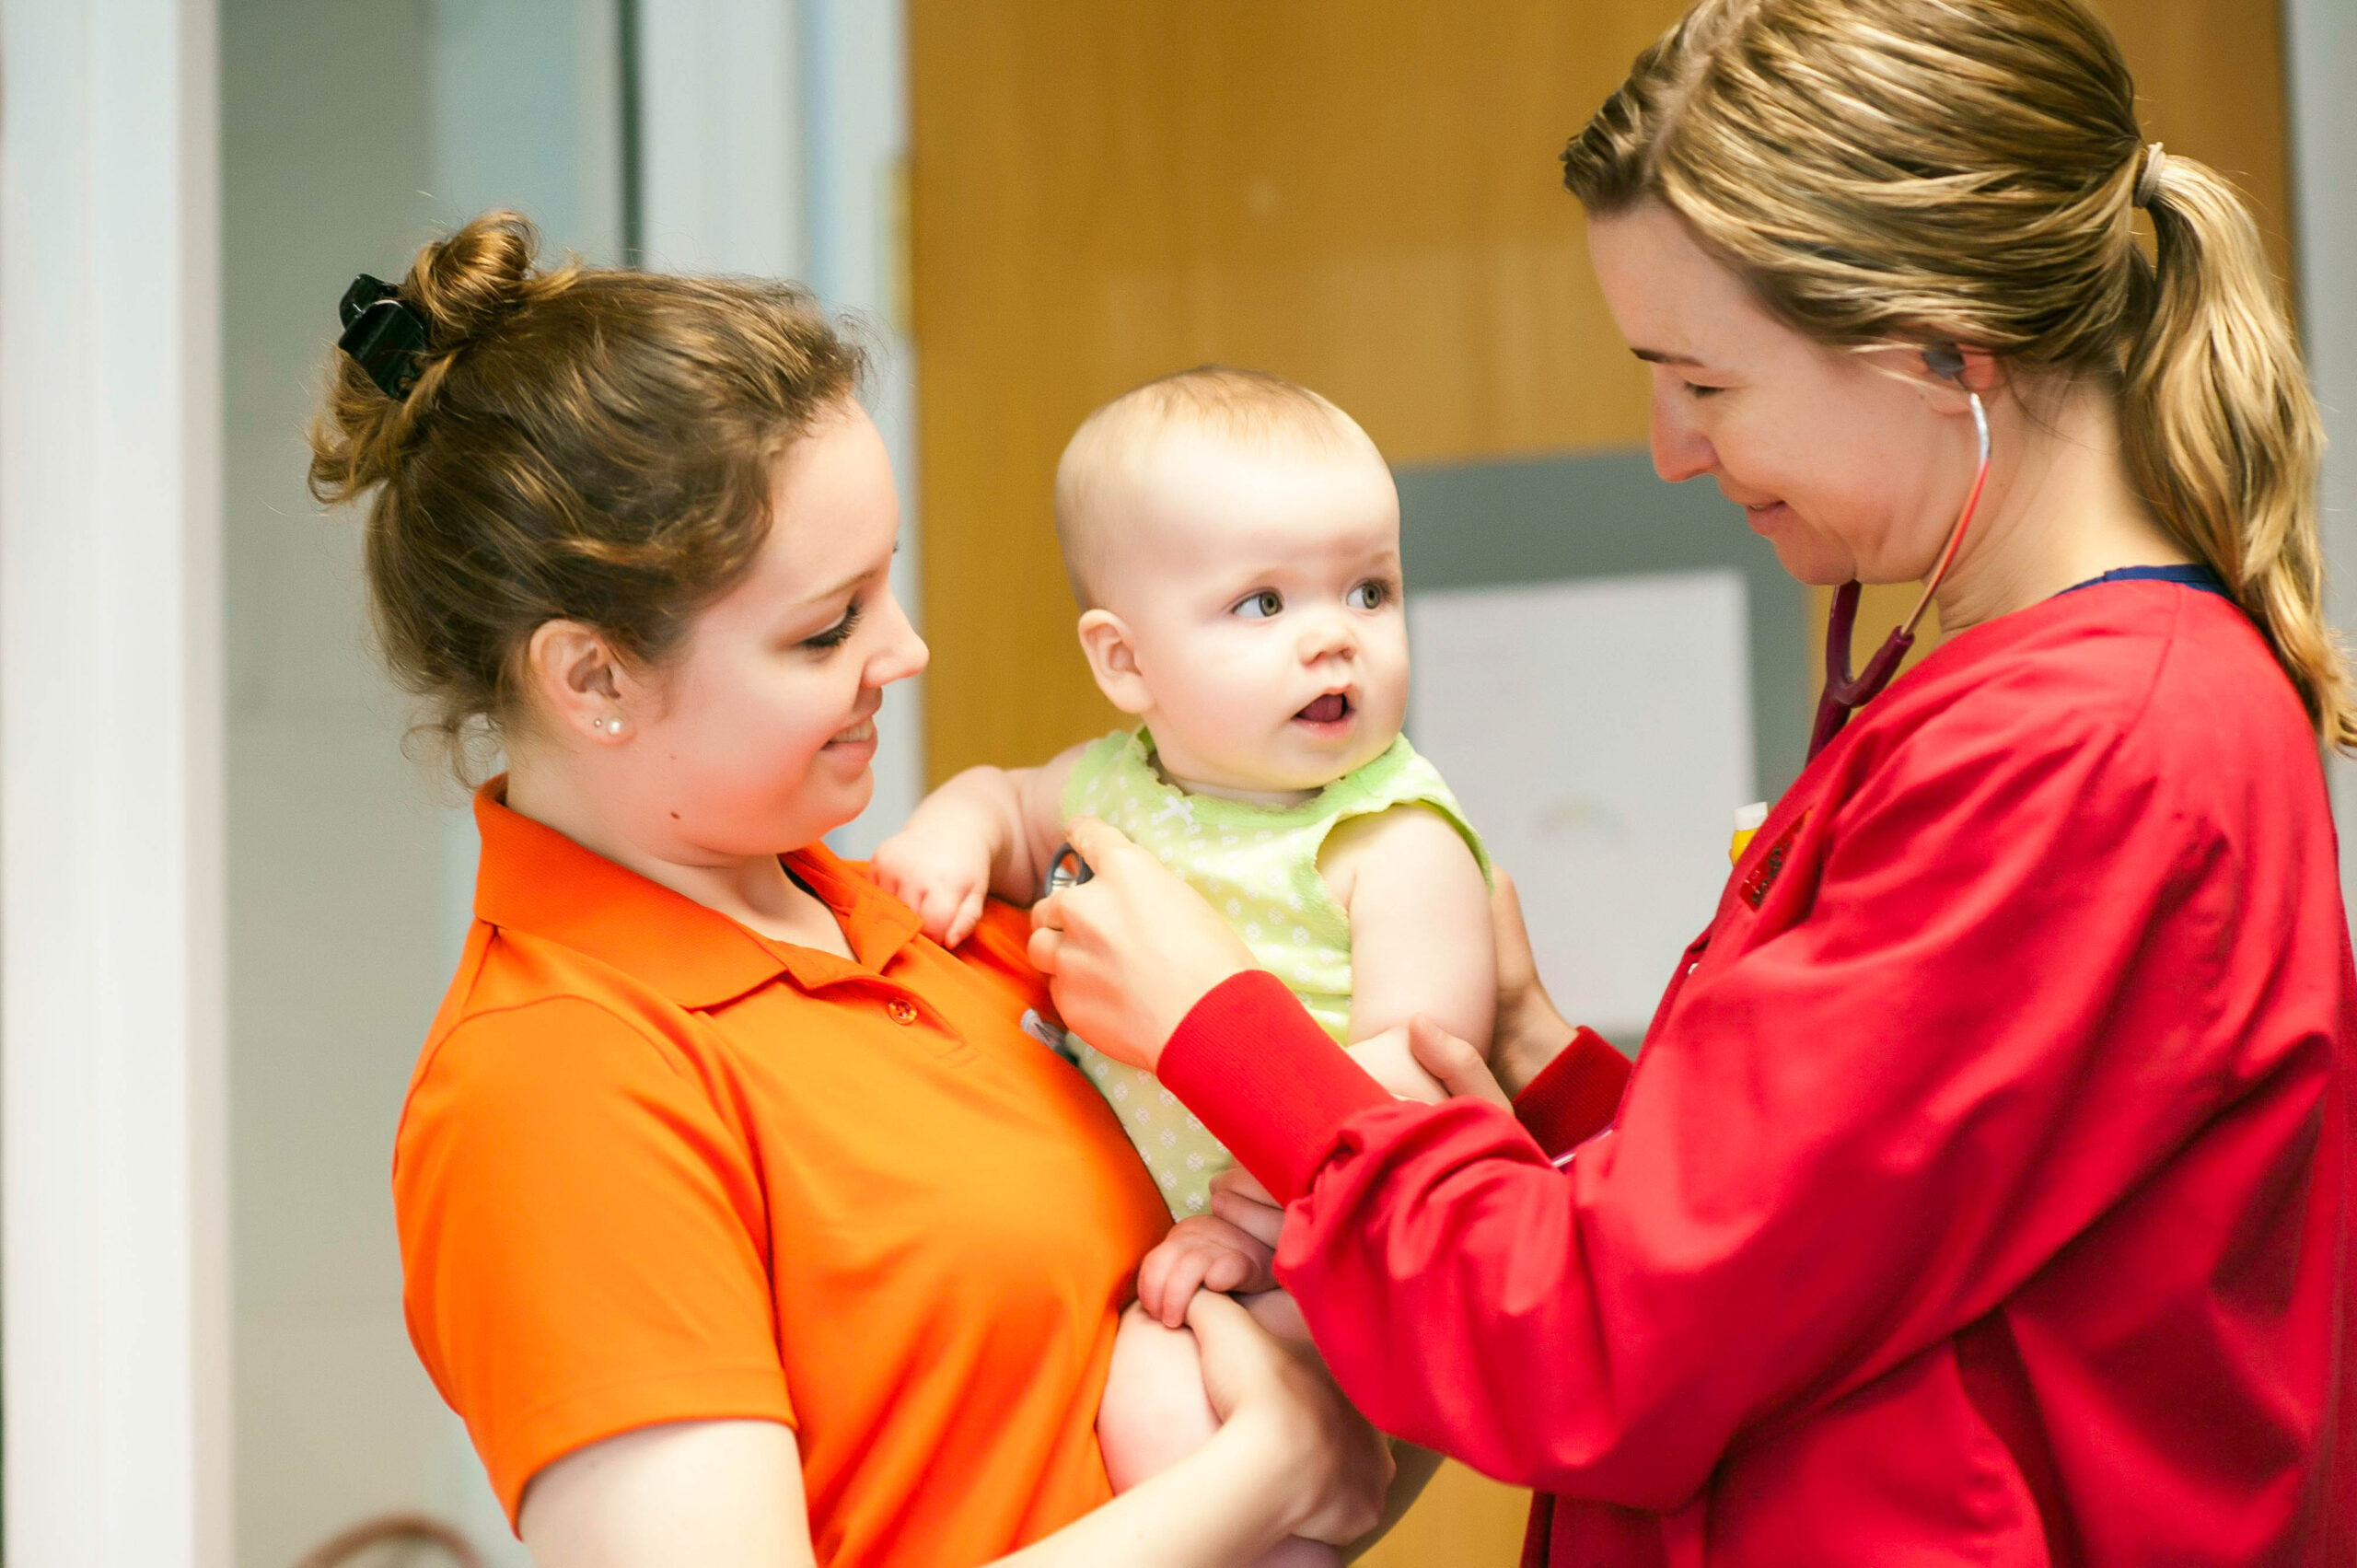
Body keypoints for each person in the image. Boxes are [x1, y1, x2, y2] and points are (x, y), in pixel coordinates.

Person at [1028, 1, 2357, 1562]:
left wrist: (1220, 1031)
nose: (1669, 447)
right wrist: (1542, 1064)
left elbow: (1604, 1347)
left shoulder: (2081, 749)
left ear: (1939, 344)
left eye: (1704, 383)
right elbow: (1837, 1236)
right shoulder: (2044, 700)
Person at [318, 213, 1391, 1568]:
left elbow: (1314, 1467)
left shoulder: (944, 929)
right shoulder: (556, 1082)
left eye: (886, 592)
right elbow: (1283, 1476)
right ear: (591, 678)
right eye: (828, 626)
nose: (907, 650)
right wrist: (1274, 1465)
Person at [872, 366, 1492, 1565]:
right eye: (1263, 604)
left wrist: (1251, 1234)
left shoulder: (1391, 836)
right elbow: (1003, 804)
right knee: (1154, 1411)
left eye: (1371, 589)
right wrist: (949, 841)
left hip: (1334, 1257)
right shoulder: (1107, 785)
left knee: (1187, 1411)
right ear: (1125, 663)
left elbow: (1412, 1086)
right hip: (1191, 1264)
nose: (1334, 635)